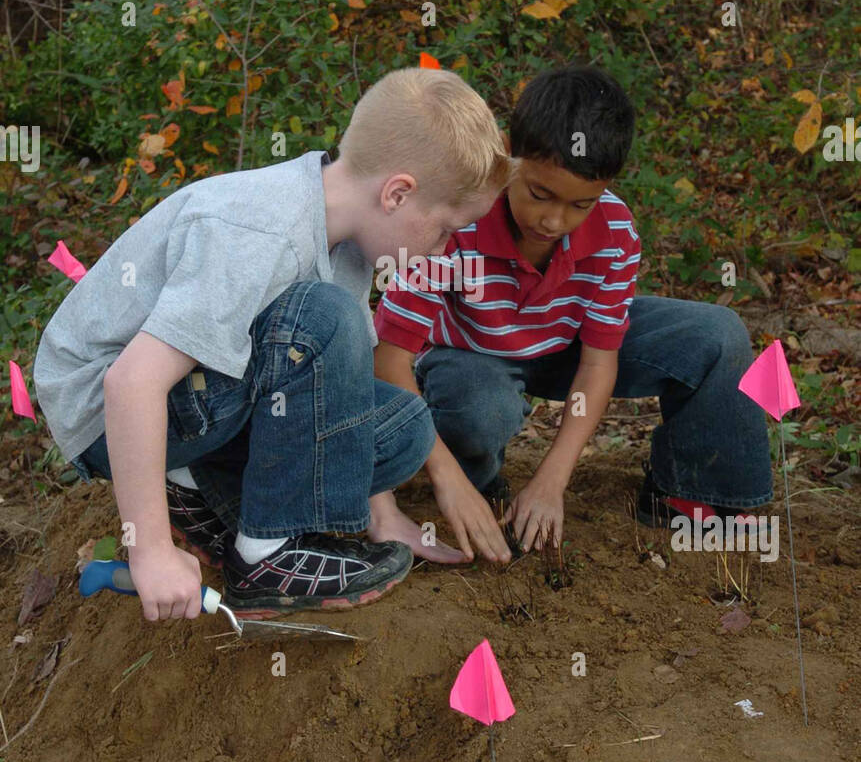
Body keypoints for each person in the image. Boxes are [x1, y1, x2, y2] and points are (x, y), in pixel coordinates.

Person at [33, 66, 512, 621]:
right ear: (398, 193)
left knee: (404, 428)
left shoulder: (349, 247)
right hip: (101, 409)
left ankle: (196, 485)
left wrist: (381, 515)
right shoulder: (262, 230)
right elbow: (130, 381)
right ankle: (266, 557)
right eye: (446, 230)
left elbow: (342, 390)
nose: (441, 251)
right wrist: (149, 550)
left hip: (194, 402)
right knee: (326, 318)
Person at [372, 63, 773, 563]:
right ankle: (474, 475)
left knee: (716, 334)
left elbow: (599, 361)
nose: (554, 221)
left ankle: (688, 491)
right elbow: (389, 358)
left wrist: (550, 482)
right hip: (475, 358)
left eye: (580, 205)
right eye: (539, 194)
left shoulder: (615, 231)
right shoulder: (454, 220)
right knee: (477, 407)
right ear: (507, 159)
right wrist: (447, 477)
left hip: (569, 346)